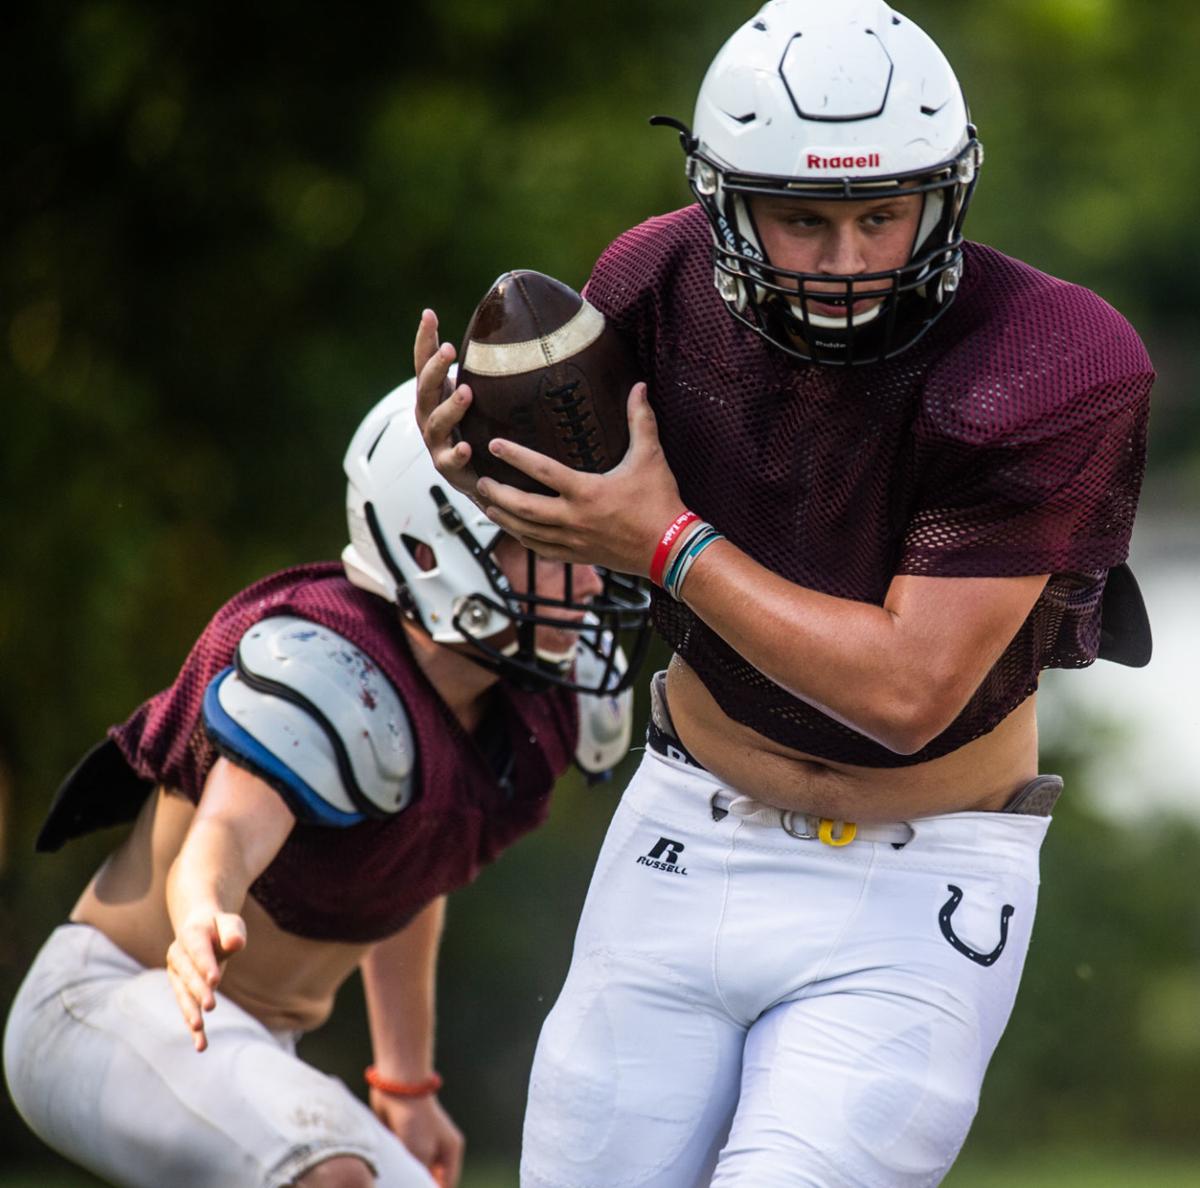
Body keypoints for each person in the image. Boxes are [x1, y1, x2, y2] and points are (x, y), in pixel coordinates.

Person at [413, 1, 1154, 1184]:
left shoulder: (1050, 356)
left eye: (880, 213)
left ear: (948, 190)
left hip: (922, 874)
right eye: (802, 220)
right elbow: (597, 500)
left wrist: (664, 544)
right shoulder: (653, 282)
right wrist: (496, 472)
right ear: (722, 202)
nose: (849, 257)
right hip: (682, 834)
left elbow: (909, 692)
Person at [3, 378, 652, 1188]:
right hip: (107, 1005)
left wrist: (404, 1083)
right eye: (554, 550)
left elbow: (413, 869)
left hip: (248, 1043)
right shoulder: (332, 665)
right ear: (431, 547)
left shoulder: (515, 703)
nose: (590, 584)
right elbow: (229, 830)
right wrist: (202, 909)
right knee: (332, 1173)